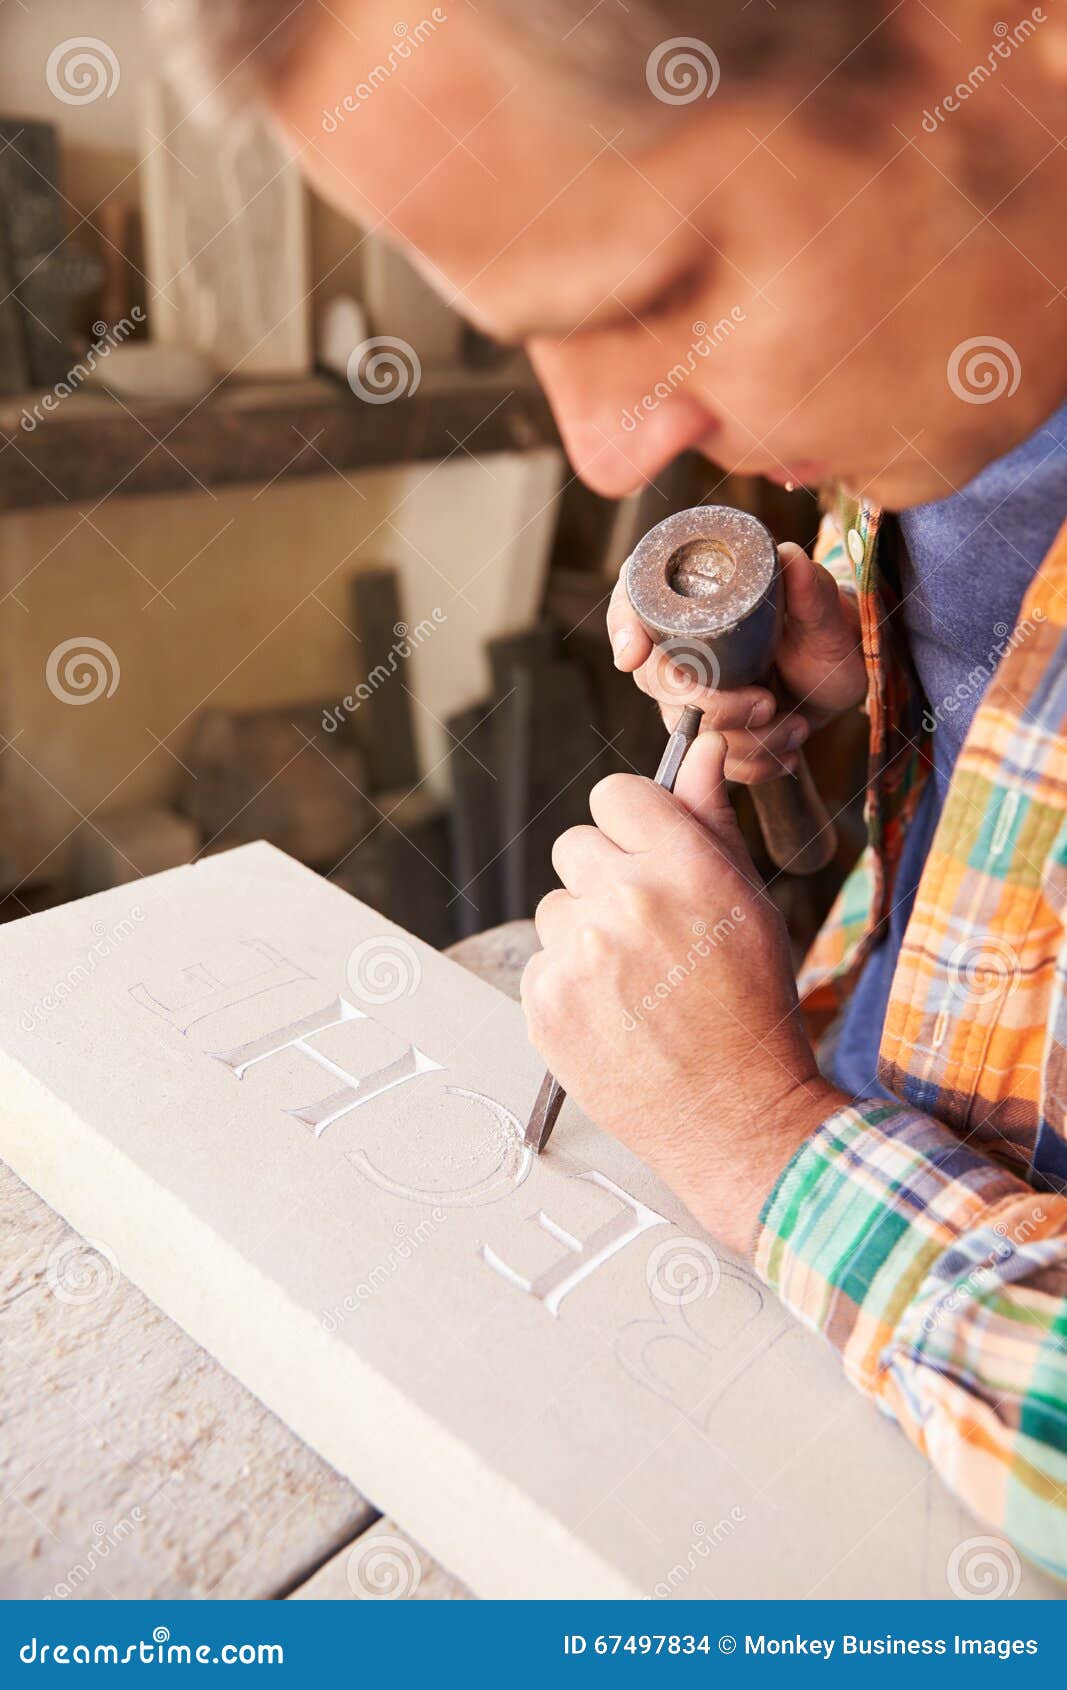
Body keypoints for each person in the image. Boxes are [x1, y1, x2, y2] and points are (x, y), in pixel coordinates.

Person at [166, 0, 1067, 1577]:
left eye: (657, 290)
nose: (600, 446)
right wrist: (881, 674)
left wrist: (758, 1139)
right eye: (528, 326)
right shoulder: (974, 384)